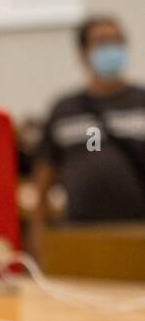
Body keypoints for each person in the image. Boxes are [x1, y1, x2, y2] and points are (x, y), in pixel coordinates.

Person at [32, 17, 145, 244]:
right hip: (79, 234)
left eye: (118, 42)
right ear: (83, 53)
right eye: (103, 43)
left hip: (138, 231)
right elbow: (45, 172)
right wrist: (37, 230)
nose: (112, 49)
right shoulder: (64, 109)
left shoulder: (142, 102)